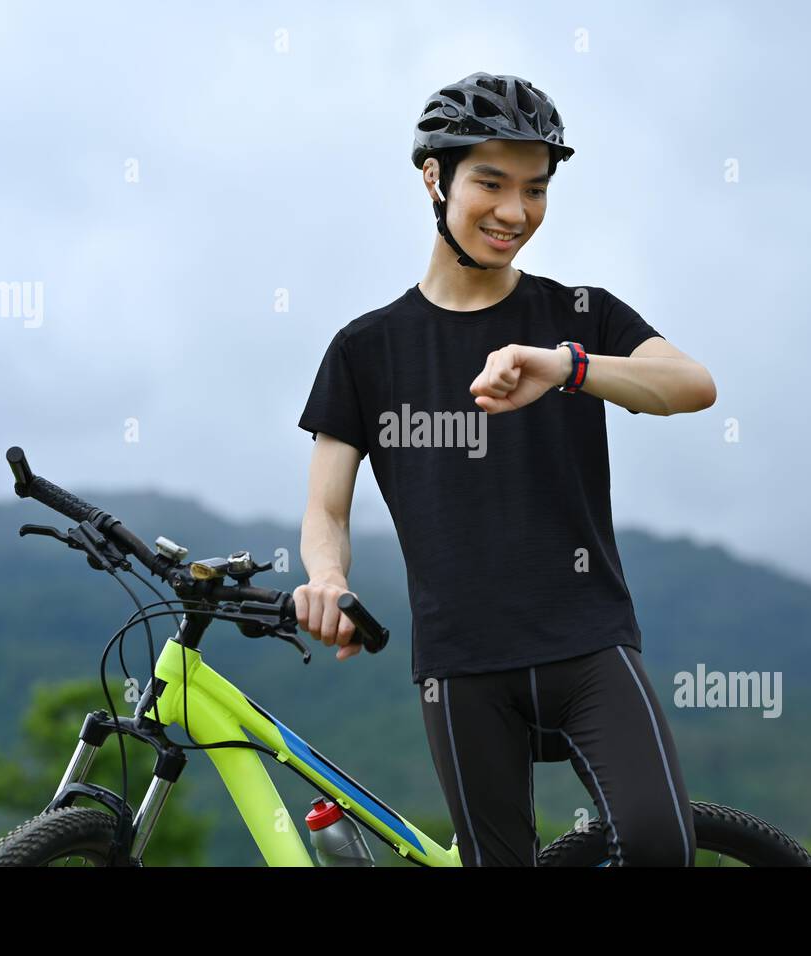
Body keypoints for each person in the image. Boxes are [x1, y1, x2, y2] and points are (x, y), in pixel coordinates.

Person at [295, 71, 716, 866]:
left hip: (589, 644)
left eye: (536, 189)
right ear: (434, 176)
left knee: (661, 845)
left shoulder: (577, 316)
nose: (516, 212)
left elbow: (692, 385)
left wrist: (570, 367)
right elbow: (329, 510)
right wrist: (326, 578)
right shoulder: (366, 349)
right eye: (491, 182)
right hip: (461, 665)